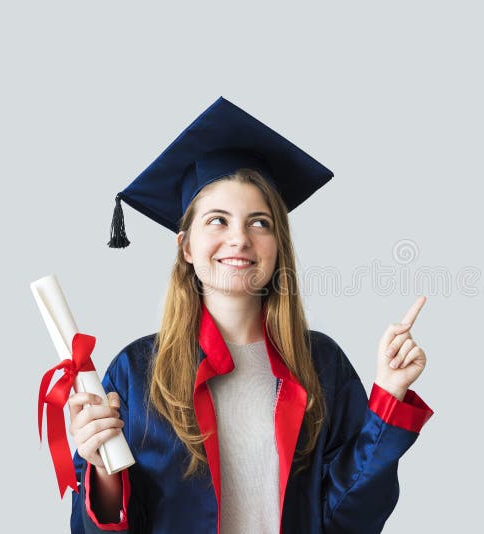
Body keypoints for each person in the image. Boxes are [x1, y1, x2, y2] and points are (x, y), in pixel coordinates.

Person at [67, 96, 434, 533]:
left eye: (259, 222)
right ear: (185, 246)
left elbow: (349, 518)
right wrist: (103, 470)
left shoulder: (320, 363)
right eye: (217, 221)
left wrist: (388, 395)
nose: (239, 239)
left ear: (278, 244)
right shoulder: (137, 372)